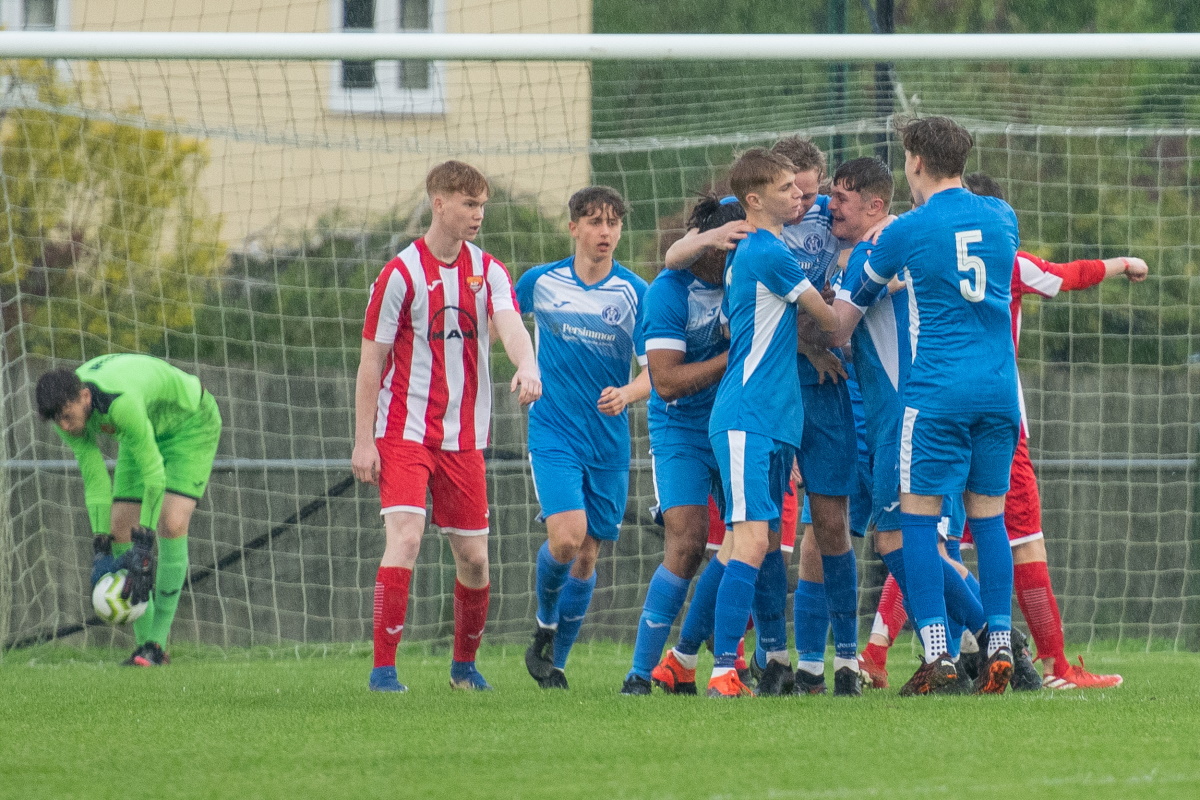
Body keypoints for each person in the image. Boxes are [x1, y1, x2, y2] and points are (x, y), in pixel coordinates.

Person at [859, 172, 1146, 690]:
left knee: (923, 533)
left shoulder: (924, 249)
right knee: (1016, 538)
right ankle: (1045, 661)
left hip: (934, 405)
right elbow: (1064, 275)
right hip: (997, 412)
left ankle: (900, 651)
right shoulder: (1008, 261)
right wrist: (1121, 263)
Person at [835, 116, 1021, 695]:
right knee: (988, 519)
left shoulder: (906, 231)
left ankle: (938, 654)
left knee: (917, 521)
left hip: (937, 392)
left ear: (915, 161)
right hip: (999, 389)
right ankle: (1000, 643)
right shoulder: (1002, 217)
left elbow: (844, 320)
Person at [352, 160, 541, 693]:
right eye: (468, 204)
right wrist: (363, 441)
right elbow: (371, 363)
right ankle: (384, 670)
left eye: (482, 205)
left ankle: (463, 667)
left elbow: (509, 324)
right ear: (439, 203)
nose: (478, 215)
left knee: (475, 558)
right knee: (406, 538)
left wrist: (527, 364)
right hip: (403, 431)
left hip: (464, 439)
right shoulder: (399, 275)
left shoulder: (490, 271)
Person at [705, 148, 838, 698]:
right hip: (746, 417)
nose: (798, 196)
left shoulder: (761, 251)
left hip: (776, 418)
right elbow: (832, 324)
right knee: (751, 541)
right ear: (754, 200)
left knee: (753, 546)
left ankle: (761, 663)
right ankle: (721, 670)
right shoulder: (768, 253)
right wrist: (875, 284)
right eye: (786, 188)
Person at [517, 186, 650, 691]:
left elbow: (654, 370)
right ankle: (546, 621)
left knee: (589, 553)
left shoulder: (634, 292)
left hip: (608, 441)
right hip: (553, 430)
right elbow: (502, 323)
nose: (605, 232)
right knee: (566, 538)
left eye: (613, 223)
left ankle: (555, 664)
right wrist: (524, 369)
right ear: (574, 227)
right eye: (595, 222)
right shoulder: (540, 283)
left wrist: (629, 394)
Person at [620, 195, 739, 695]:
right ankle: (640, 673)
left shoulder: (747, 280)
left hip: (738, 422)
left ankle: (710, 659)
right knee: (688, 544)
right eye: (731, 240)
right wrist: (735, 357)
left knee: (756, 542)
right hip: (681, 427)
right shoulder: (669, 291)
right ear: (709, 242)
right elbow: (665, 382)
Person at [36, 354, 223, 667]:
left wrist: (144, 543)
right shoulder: (63, 415)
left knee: (172, 524)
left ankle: (156, 643)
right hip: (141, 431)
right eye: (58, 421)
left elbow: (154, 474)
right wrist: (100, 546)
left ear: (84, 397)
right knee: (119, 526)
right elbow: (94, 479)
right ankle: (145, 652)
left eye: (68, 417)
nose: (65, 427)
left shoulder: (120, 404)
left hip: (190, 424)